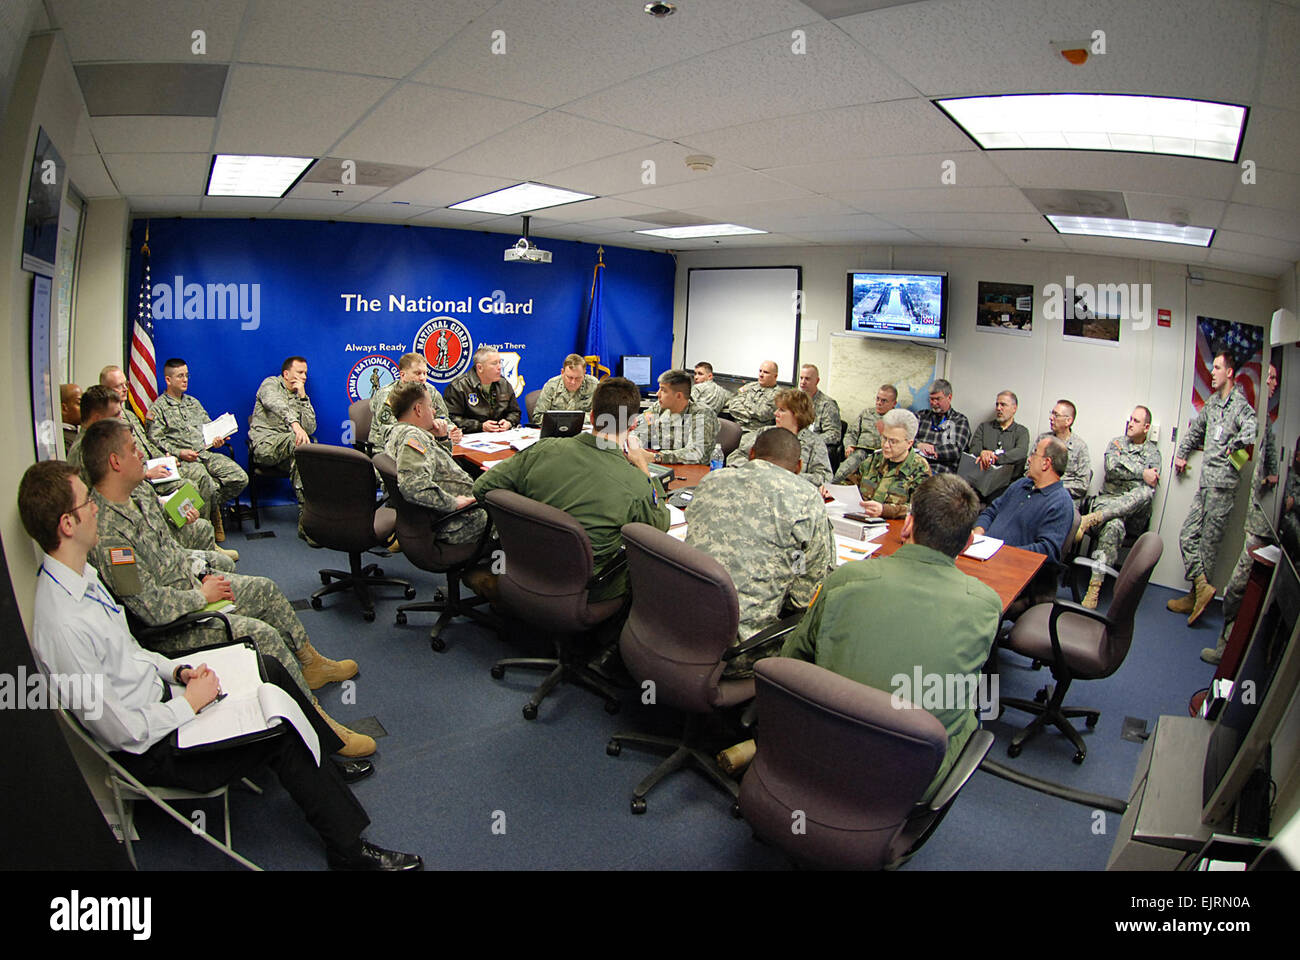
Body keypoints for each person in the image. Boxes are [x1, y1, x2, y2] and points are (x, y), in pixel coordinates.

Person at [17, 460, 421, 871]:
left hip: (166, 697)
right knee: (279, 729)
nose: (95, 509)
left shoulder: (81, 577)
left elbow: (130, 652)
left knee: (268, 667)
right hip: (159, 745)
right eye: (87, 503)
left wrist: (175, 672)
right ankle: (349, 849)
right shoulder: (63, 625)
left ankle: (324, 753)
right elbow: (123, 731)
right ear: (67, 523)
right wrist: (189, 703)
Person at [79, 420, 374, 757]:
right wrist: (200, 597)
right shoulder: (109, 531)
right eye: (134, 449)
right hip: (175, 626)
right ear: (115, 462)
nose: (142, 454)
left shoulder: (140, 493)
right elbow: (148, 606)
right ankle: (321, 729)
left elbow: (171, 554)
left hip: (194, 589)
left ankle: (311, 664)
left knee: (266, 590)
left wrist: (202, 571)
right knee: (263, 635)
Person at [781, 474, 1002, 803]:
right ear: (968, 542)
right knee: (973, 701)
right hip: (909, 783)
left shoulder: (846, 579)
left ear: (907, 525)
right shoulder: (987, 605)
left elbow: (790, 659)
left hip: (817, 754)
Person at [472, 377, 669, 601]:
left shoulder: (543, 449)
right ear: (633, 424)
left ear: (592, 416)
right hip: (585, 588)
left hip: (523, 566)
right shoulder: (635, 483)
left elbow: (482, 488)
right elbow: (658, 528)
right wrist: (643, 465)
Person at [685, 428, 835, 675]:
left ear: (752, 454)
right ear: (798, 467)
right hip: (740, 651)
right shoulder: (807, 498)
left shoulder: (713, 479)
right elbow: (806, 596)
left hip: (675, 623)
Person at [73, 385, 234, 561]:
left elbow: (138, 477)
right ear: (97, 419)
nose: (122, 419)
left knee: (199, 516)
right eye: (116, 415)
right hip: (139, 529)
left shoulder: (104, 441)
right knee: (192, 491)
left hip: (148, 507)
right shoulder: (86, 454)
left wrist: (164, 504)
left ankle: (209, 547)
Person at [1170, 348, 1257, 625]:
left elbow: (1252, 429)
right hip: (1206, 484)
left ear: (1229, 372)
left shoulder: (1240, 405)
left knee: (1208, 547)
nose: (1212, 373)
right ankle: (1200, 588)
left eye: (1217, 368)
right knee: (1187, 536)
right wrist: (1182, 453)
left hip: (1224, 488)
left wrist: (1236, 446)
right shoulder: (1213, 404)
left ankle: (1196, 599)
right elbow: (1196, 430)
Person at [1204, 363, 1279, 662]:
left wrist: (1233, 467)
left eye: (1274, 377)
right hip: (1256, 522)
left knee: (1239, 589)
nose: (1269, 382)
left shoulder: (1257, 415)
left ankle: (1232, 651)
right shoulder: (1264, 418)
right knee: (1237, 589)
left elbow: (1256, 452)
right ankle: (1228, 647)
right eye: (1268, 376)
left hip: (1268, 528)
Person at [100, 364, 222, 531]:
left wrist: (164, 458)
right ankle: (195, 531)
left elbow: (148, 444)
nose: (124, 389)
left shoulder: (128, 415)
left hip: (160, 464)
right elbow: (119, 468)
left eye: (125, 384)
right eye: (118, 386)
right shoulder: (107, 427)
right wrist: (148, 471)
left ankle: (202, 529)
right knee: (192, 485)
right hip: (144, 477)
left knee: (205, 482)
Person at [146, 358, 249, 541]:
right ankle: (207, 525)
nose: (185, 380)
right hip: (183, 460)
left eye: (186, 375)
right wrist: (179, 453)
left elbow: (208, 428)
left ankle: (213, 507)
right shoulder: (158, 408)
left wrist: (217, 439)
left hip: (205, 454)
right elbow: (155, 440)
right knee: (204, 480)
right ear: (168, 380)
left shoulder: (193, 403)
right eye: (180, 376)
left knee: (239, 477)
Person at [1075, 406, 1161, 609]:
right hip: (1108, 502)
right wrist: (1142, 473)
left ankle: (1095, 517)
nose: (1130, 423)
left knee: (1146, 493)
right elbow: (1112, 469)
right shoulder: (1116, 443)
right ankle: (1094, 587)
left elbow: (1150, 483)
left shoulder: (1153, 453)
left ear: (1147, 427)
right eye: (1130, 419)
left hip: (1133, 515)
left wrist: (1128, 468)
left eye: (1136, 421)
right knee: (1114, 525)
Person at [386, 381, 488, 546]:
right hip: (456, 521)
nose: (434, 411)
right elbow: (412, 486)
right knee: (511, 517)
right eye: (430, 406)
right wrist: (453, 503)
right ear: (418, 409)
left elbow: (438, 467)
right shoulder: (413, 437)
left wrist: (441, 439)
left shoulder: (397, 432)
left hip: (442, 516)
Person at [974, 434, 1074, 564]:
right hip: (981, 554)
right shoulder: (1021, 484)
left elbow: (1046, 550)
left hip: (1011, 567)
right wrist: (978, 531)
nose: (1029, 460)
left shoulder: (1061, 503)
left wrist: (1002, 553)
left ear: (1046, 463)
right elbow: (991, 511)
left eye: (1034, 454)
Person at [248, 356, 316, 511]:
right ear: (286, 374)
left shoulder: (300, 395)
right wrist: (295, 425)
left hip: (290, 451)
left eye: (305, 373)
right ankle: (310, 512)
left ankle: (307, 514)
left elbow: (310, 429)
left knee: (306, 456)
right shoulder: (271, 384)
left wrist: (303, 398)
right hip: (266, 447)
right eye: (300, 372)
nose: (304, 377)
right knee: (298, 441)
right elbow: (275, 404)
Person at [727, 388, 832, 487]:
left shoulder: (814, 442)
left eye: (782, 410)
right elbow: (735, 457)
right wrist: (758, 470)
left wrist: (787, 476)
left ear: (797, 414)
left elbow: (824, 477)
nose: (775, 413)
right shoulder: (765, 432)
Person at [369, 352, 459, 452]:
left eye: (425, 373)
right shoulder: (388, 395)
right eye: (417, 373)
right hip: (387, 449)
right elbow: (389, 432)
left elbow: (443, 417)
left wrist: (450, 430)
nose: (422, 378)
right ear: (403, 375)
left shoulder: (430, 391)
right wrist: (430, 431)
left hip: (425, 444)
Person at [853, 408, 931, 519]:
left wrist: (885, 510)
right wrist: (833, 490)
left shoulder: (920, 468)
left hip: (893, 526)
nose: (885, 445)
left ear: (909, 443)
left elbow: (921, 508)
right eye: (884, 438)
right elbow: (850, 482)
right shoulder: (875, 458)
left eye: (893, 441)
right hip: (862, 519)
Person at [632, 369, 719, 464]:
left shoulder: (701, 414)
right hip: (666, 465)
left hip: (693, 471)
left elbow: (696, 453)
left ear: (678, 396)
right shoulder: (658, 408)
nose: (658, 394)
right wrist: (634, 444)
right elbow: (638, 430)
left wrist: (658, 457)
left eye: (663, 390)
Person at [967, 390, 1031, 498]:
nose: (998, 408)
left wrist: (994, 458)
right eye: (997, 404)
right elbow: (973, 449)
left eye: (1003, 405)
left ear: (1014, 408)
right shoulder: (984, 427)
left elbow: (1021, 452)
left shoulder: (1022, 431)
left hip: (1006, 486)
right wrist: (982, 452)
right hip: (980, 482)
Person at [444, 346, 521, 433]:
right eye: (494, 363)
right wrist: (479, 426)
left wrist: (509, 422)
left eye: (500, 362)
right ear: (480, 367)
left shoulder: (504, 384)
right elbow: (451, 419)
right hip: (471, 438)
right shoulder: (459, 386)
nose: (500, 367)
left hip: (500, 437)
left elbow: (515, 412)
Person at [834, 383, 897, 482]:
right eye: (877, 399)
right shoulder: (866, 413)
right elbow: (851, 433)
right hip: (861, 452)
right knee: (851, 463)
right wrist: (849, 446)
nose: (879, 403)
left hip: (882, 455)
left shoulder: (897, 419)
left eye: (884, 401)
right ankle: (832, 486)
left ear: (894, 403)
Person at [1039, 399, 1092, 503]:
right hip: (1039, 493)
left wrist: (1053, 487)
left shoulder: (1080, 447)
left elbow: (1082, 484)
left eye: (1056, 415)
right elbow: (1028, 469)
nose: (1051, 418)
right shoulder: (1043, 440)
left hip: (1065, 498)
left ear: (1068, 421)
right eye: (1051, 413)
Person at [915, 378, 971, 476]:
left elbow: (955, 450)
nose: (934, 403)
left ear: (949, 397)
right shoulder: (920, 416)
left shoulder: (959, 420)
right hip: (914, 467)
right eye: (932, 399)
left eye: (938, 399)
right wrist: (919, 445)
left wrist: (932, 450)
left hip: (940, 472)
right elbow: (905, 438)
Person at [533, 353, 599, 417]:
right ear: (562, 372)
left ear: (584, 373)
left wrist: (574, 420)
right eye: (570, 377)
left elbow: (600, 415)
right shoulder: (551, 385)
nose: (573, 382)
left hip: (585, 428)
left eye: (578, 378)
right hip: (555, 428)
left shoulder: (594, 385)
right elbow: (538, 416)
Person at [724, 360, 780, 432]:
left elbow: (762, 414)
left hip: (755, 432)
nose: (761, 375)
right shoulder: (750, 386)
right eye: (760, 371)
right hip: (736, 427)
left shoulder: (778, 395)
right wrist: (751, 415)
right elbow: (733, 403)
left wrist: (744, 402)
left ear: (775, 376)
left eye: (766, 372)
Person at [798, 364, 841, 450]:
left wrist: (810, 440)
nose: (803, 382)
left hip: (813, 447)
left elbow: (834, 434)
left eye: (807, 379)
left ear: (817, 381)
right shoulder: (797, 400)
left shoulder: (827, 404)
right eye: (801, 378)